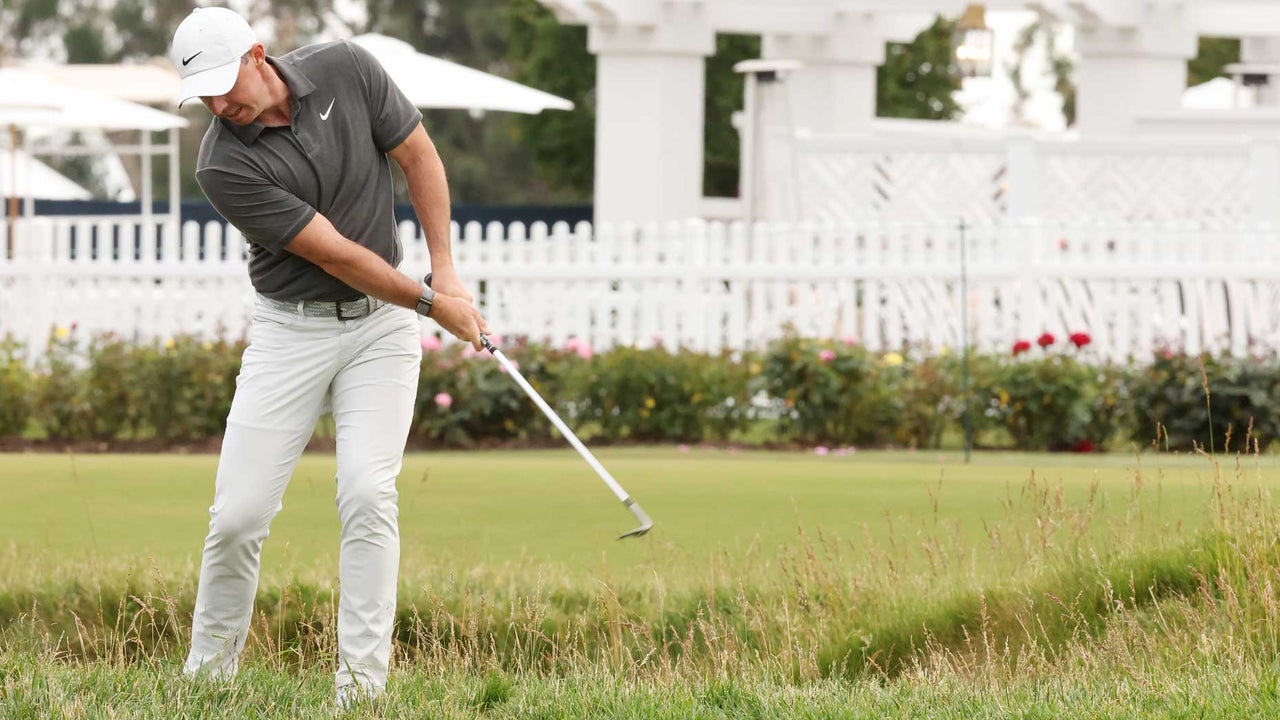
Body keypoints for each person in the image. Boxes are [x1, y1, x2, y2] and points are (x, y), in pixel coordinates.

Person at [168, 6, 488, 705]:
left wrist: (446, 271)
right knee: (238, 516)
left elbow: (419, 157)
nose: (219, 106)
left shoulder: (347, 68)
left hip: (380, 331)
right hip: (291, 332)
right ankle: (206, 685)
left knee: (369, 495)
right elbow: (336, 254)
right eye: (205, 97)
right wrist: (432, 304)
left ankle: (361, 692)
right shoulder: (222, 164)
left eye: (224, 86)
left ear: (257, 55)